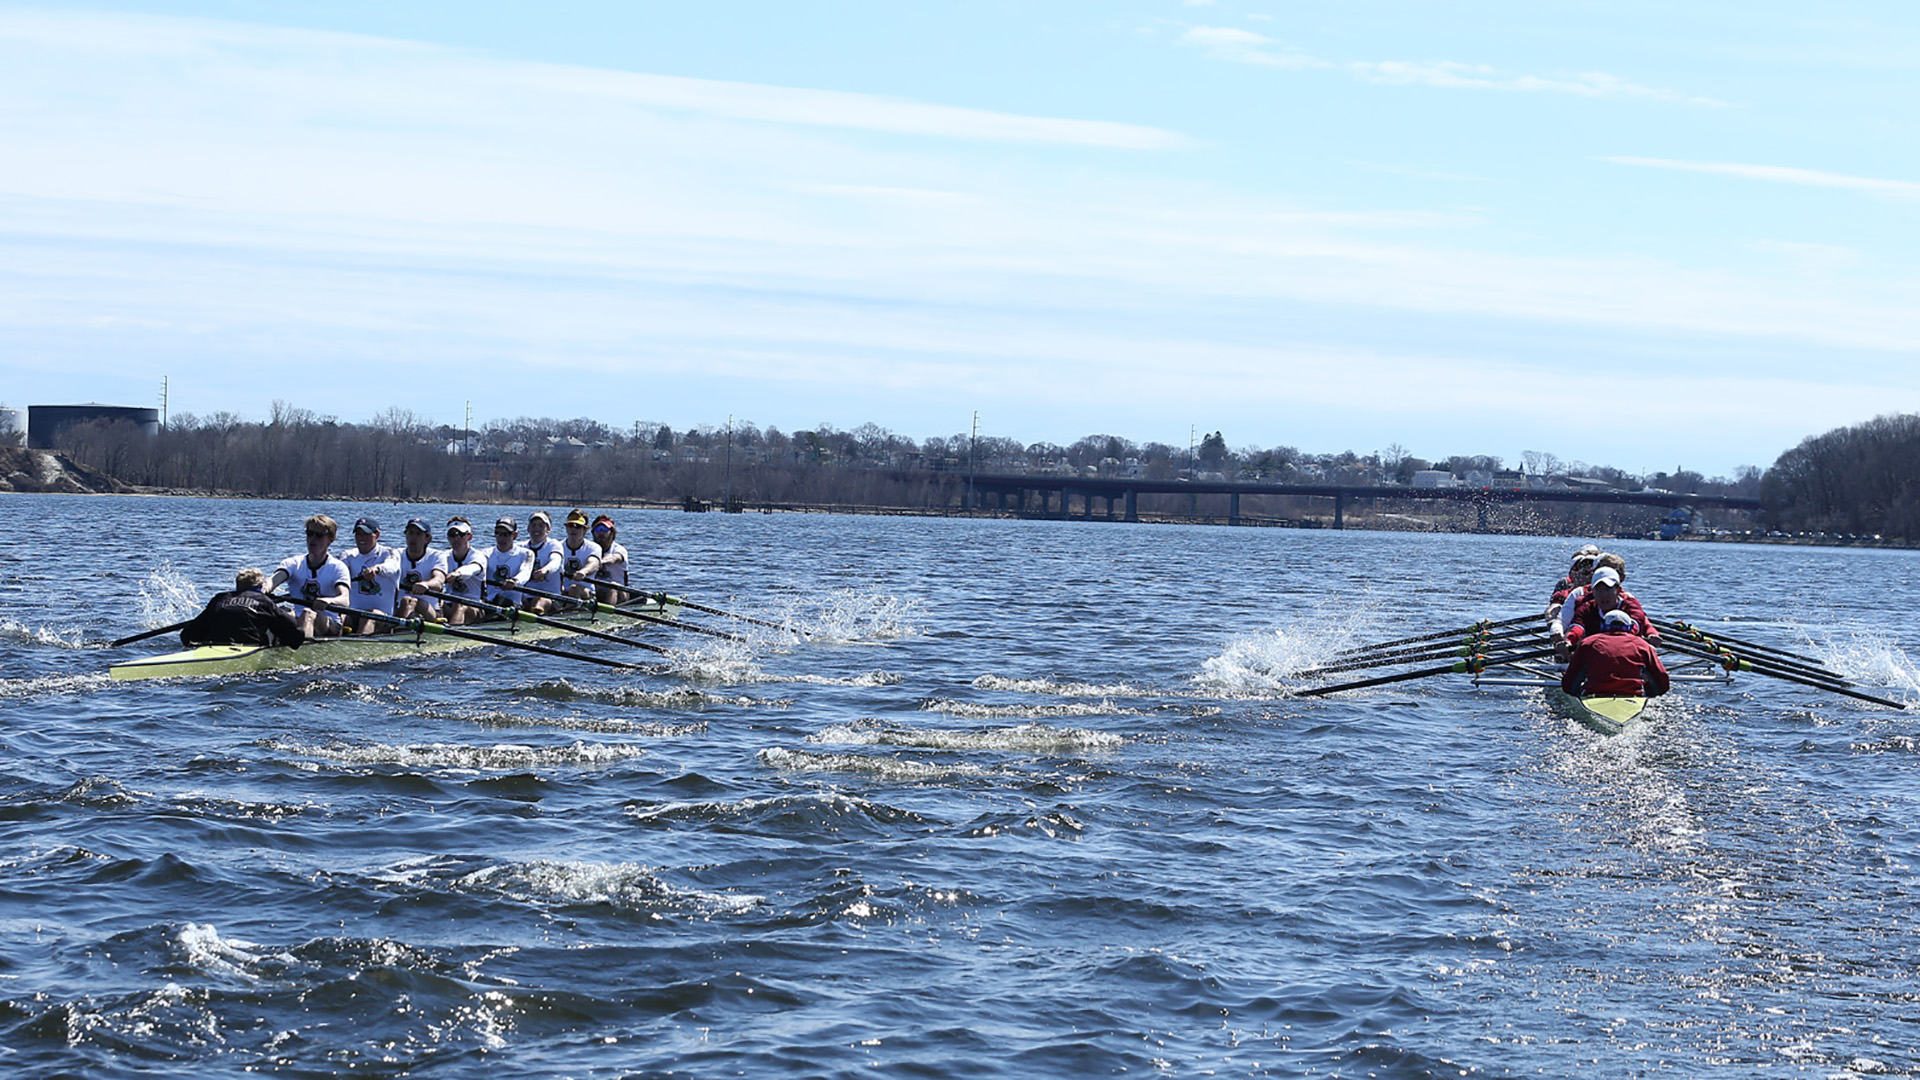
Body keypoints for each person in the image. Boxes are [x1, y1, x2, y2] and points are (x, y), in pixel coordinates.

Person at [268, 514, 350, 638]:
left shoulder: (338, 567)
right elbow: (273, 580)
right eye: (310, 533)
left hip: (329, 623)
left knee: (307, 613)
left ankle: (303, 652)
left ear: (330, 539)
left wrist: (329, 600)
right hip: (300, 618)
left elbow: (345, 599)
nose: (313, 539)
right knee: (281, 612)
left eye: (319, 535)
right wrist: (264, 588)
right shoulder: (293, 563)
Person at [180, 568, 305, 649]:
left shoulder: (220, 599)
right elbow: (296, 636)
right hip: (249, 648)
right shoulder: (264, 601)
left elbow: (186, 637)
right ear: (261, 587)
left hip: (214, 646)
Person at [1561, 608, 1669, 698]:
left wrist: (1576, 692)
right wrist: (1649, 691)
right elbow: (1663, 682)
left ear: (1603, 626)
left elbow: (1568, 684)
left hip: (1595, 694)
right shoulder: (1642, 645)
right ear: (1629, 627)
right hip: (1633, 696)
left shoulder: (1588, 643)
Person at [1559, 567, 1661, 650]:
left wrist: (1651, 635)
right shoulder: (1586, 608)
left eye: (1608, 590)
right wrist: (1568, 640)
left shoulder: (1631, 605)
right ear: (1593, 592)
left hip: (1628, 649)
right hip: (1596, 652)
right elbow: (1578, 627)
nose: (1603, 595)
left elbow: (1635, 626)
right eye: (1599, 590)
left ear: (1618, 590)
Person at [340, 517, 402, 634]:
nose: (361, 538)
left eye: (366, 534)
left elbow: (391, 567)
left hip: (383, 617)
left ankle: (360, 647)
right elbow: (339, 571)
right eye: (358, 534)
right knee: (338, 616)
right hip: (353, 614)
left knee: (368, 616)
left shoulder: (389, 553)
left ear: (377, 535)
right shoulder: (347, 555)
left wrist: (377, 569)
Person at [394, 517, 448, 622]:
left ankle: (398, 631)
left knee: (409, 600)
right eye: (410, 533)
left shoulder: (436, 556)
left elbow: (439, 580)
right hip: (399, 608)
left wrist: (426, 585)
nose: (413, 538)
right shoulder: (396, 554)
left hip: (429, 611)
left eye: (418, 534)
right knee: (406, 602)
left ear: (428, 539)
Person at [436, 516, 488, 625]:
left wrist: (457, 573)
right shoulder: (443, 556)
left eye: (461, 535)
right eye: (452, 535)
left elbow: (472, 569)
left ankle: (450, 637)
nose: (456, 539)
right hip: (449, 604)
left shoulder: (478, 556)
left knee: (459, 605)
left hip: (474, 607)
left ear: (469, 537)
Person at [484, 516, 534, 613]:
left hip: (513, 607)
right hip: (490, 605)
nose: (501, 538)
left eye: (506, 534)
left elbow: (525, 572)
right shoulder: (485, 554)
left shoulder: (526, 554)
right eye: (498, 533)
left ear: (515, 535)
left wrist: (515, 581)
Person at [519, 510, 566, 614]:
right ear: (528, 528)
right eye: (533, 525)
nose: (536, 529)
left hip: (551, 598)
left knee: (539, 600)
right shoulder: (520, 547)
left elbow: (556, 561)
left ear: (548, 530)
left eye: (541, 526)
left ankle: (533, 624)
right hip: (525, 596)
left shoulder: (554, 545)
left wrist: (545, 570)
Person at [557, 509, 602, 602]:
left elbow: (593, 563)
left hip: (586, 591)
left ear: (585, 529)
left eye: (578, 526)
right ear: (566, 527)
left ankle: (569, 614)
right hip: (561, 591)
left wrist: (583, 572)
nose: (573, 529)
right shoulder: (557, 546)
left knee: (574, 589)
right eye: (570, 525)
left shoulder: (594, 547)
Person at [590, 514, 631, 603]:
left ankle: (607, 615)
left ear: (612, 533)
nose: (601, 533)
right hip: (596, 590)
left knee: (611, 586)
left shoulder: (619, 549)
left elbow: (613, 558)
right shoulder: (589, 549)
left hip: (620, 593)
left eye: (605, 530)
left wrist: (599, 562)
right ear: (593, 533)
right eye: (598, 529)